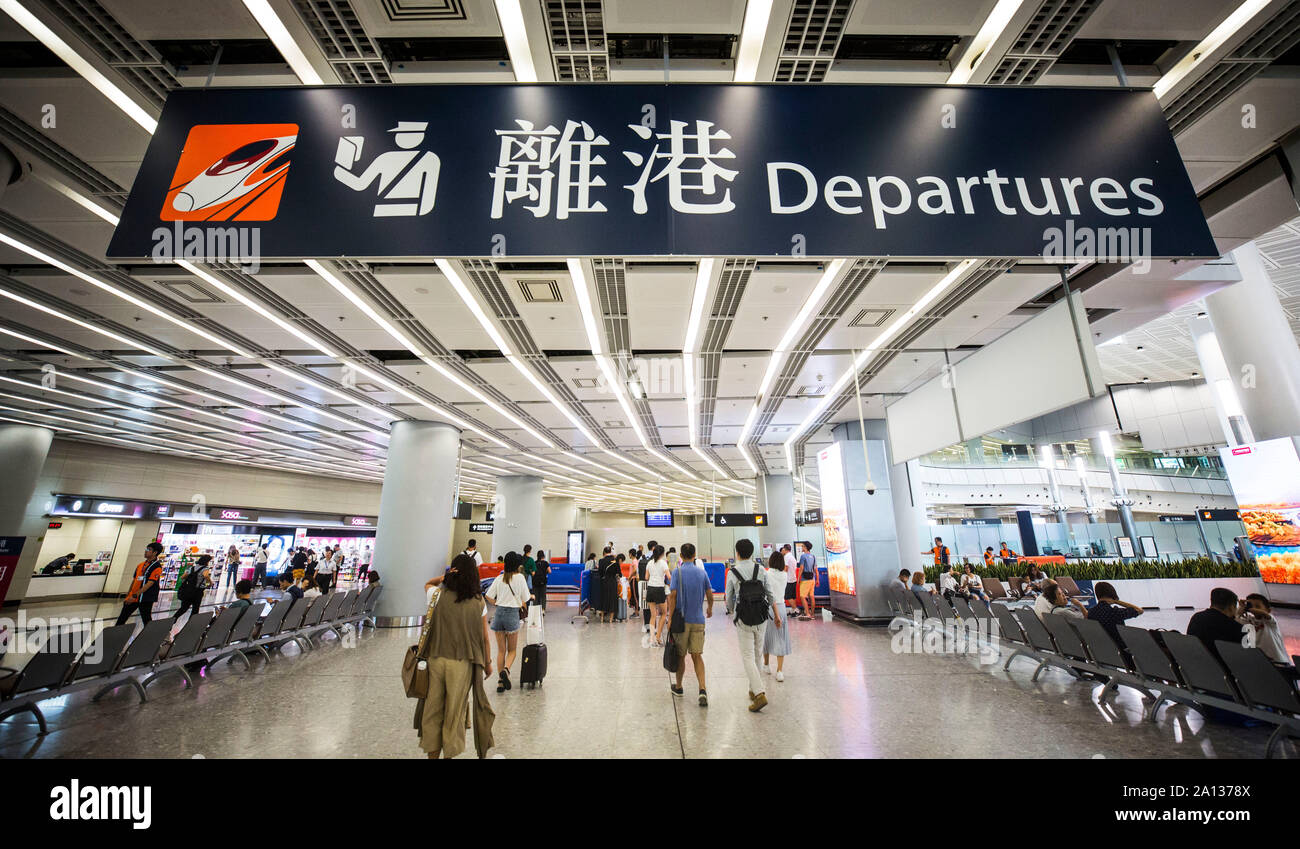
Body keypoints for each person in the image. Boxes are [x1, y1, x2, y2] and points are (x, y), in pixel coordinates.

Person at [415, 553, 495, 759]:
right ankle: (449, 755)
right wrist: (488, 663)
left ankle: (432, 755)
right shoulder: (478, 602)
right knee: (454, 711)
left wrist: (444, 578)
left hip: (435, 659)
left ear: (453, 572)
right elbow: (485, 638)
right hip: (462, 663)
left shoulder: (437, 595)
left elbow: (426, 583)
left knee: (432, 709)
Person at [725, 538, 778, 712]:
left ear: (737, 553)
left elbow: (729, 596)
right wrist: (776, 614)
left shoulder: (734, 572)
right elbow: (770, 593)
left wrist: (732, 612)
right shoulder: (761, 569)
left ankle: (760, 693)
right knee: (757, 653)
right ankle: (752, 689)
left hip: (744, 617)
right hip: (762, 616)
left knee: (747, 655)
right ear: (752, 552)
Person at [663, 542, 713, 706]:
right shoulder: (701, 573)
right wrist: (710, 608)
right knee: (697, 656)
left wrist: (669, 618)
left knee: (681, 655)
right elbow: (709, 593)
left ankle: (678, 687)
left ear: (681, 556)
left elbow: (673, 595)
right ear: (694, 554)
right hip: (698, 620)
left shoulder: (677, 572)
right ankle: (702, 690)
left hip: (681, 621)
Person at [485, 551, 530, 693]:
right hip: (512, 614)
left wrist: (498, 603)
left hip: (499, 614)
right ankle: (506, 670)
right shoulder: (520, 578)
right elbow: (526, 597)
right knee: (512, 651)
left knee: (501, 651)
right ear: (517, 565)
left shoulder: (500, 578)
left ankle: (500, 682)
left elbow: (488, 596)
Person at [1187, 587, 1246, 664]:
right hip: (1225, 672)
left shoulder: (1196, 618)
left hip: (1197, 668)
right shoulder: (1237, 628)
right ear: (1231, 607)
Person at [116, 542, 165, 626]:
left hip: (145, 598)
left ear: (155, 553)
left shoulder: (157, 567)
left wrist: (135, 595)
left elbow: (149, 583)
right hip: (133, 597)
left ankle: (150, 637)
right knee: (122, 618)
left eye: (148, 550)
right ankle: (114, 636)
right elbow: (134, 580)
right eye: (146, 549)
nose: (145, 551)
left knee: (146, 619)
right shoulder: (140, 565)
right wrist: (129, 594)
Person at [762, 550, 792, 683]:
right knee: (780, 638)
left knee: (766, 636)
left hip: (767, 607)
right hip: (781, 607)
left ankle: (766, 665)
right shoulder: (784, 575)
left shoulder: (766, 574)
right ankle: (779, 671)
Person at [1238, 593, 1291, 665]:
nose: (1254, 609)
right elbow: (1237, 619)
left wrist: (1250, 609)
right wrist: (1241, 608)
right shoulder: (1249, 620)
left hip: (1279, 662)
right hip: (1262, 662)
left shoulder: (1270, 622)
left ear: (1269, 610)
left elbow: (1265, 614)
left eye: (1257, 606)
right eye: (1251, 605)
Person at [1087, 581, 1143, 646]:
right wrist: (1117, 601)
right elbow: (1139, 610)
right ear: (1112, 593)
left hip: (1102, 648)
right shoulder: (1115, 612)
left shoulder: (1091, 612)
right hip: (1121, 649)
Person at [644, 545, 671, 645]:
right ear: (662, 554)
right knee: (664, 614)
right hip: (659, 589)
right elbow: (669, 576)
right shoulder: (663, 563)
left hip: (650, 589)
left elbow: (646, 577)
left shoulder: (649, 563)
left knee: (653, 615)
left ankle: (651, 638)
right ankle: (658, 636)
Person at [175, 554, 212, 623]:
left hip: (188, 591)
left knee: (183, 608)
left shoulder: (192, 568)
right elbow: (206, 575)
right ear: (206, 561)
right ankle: (190, 625)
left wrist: (188, 584)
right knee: (195, 610)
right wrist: (210, 583)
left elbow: (182, 577)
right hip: (198, 591)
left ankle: (171, 622)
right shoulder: (205, 568)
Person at [796, 541, 817, 620]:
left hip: (805, 579)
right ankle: (812, 614)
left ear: (805, 547)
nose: (802, 548)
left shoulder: (803, 556)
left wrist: (798, 578)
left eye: (802, 546)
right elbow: (815, 569)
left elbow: (801, 568)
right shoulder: (813, 556)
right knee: (811, 596)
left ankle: (807, 613)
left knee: (802, 596)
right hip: (812, 578)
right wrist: (817, 579)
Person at [599, 547, 620, 624]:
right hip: (613, 582)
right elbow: (619, 573)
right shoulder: (615, 561)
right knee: (612, 599)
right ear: (610, 551)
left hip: (604, 582)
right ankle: (611, 619)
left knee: (603, 598)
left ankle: (601, 618)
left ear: (604, 552)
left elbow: (600, 573)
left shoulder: (601, 561)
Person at [782, 544, 799, 612]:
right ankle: (793, 610)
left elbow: (786, 568)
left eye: (783, 549)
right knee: (792, 596)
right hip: (793, 579)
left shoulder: (786, 557)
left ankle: (796, 610)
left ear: (785, 549)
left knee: (788, 596)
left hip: (788, 580)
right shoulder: (792, 557)